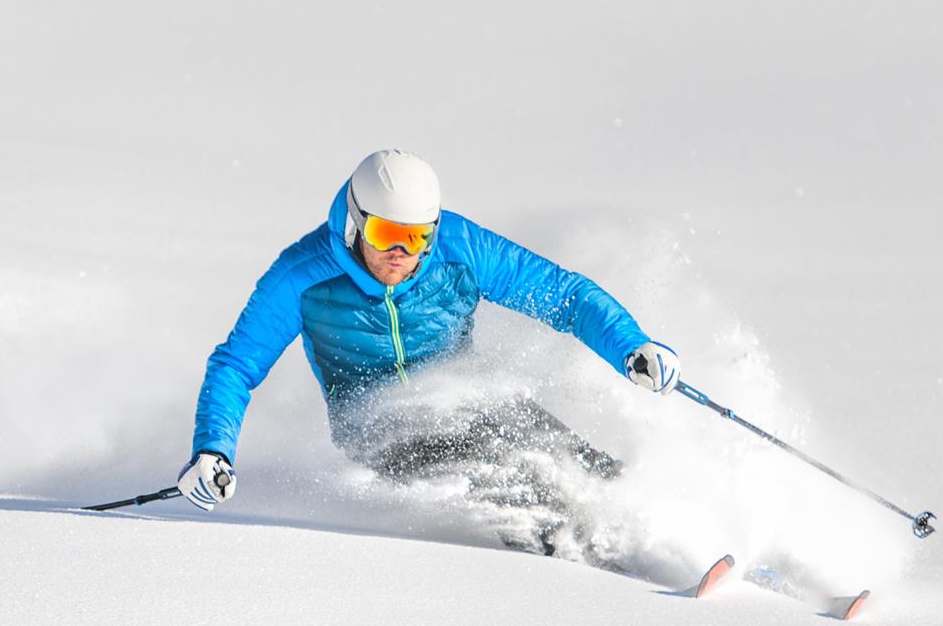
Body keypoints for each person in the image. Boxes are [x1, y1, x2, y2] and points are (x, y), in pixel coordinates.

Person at [176, 149, 681, 553]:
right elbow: (236, 366)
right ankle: (579, 551)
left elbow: (563, 295)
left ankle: (659, 525)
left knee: (560, 449)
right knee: (502, 474)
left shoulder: (460, 248)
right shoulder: (302, 276)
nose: (401, 254)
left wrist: (631, 347)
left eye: (416, 237)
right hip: (377, 428)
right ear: (354, 223)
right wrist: (213, 450)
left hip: (467, 397)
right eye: (385, 235)